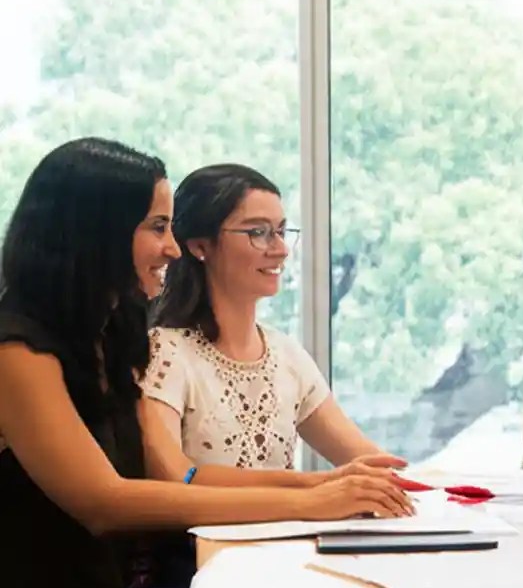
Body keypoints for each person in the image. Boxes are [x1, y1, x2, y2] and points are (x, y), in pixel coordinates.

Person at [0, 139, 410, 588]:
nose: (171, 247)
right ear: (97, 233)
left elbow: (182, 475)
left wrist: (321, 484)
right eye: (157, 227)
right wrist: (309, 500)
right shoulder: (18, 349)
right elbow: (105, 501)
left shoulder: (111, 337)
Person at [143, 164, 401, 482]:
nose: (280, 250)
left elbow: (368, 461)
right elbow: (176, 478)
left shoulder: (286, 355)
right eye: (258, 233)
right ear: (199, 246)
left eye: (281, 231)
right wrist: (315, 488)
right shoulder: (163, 351)